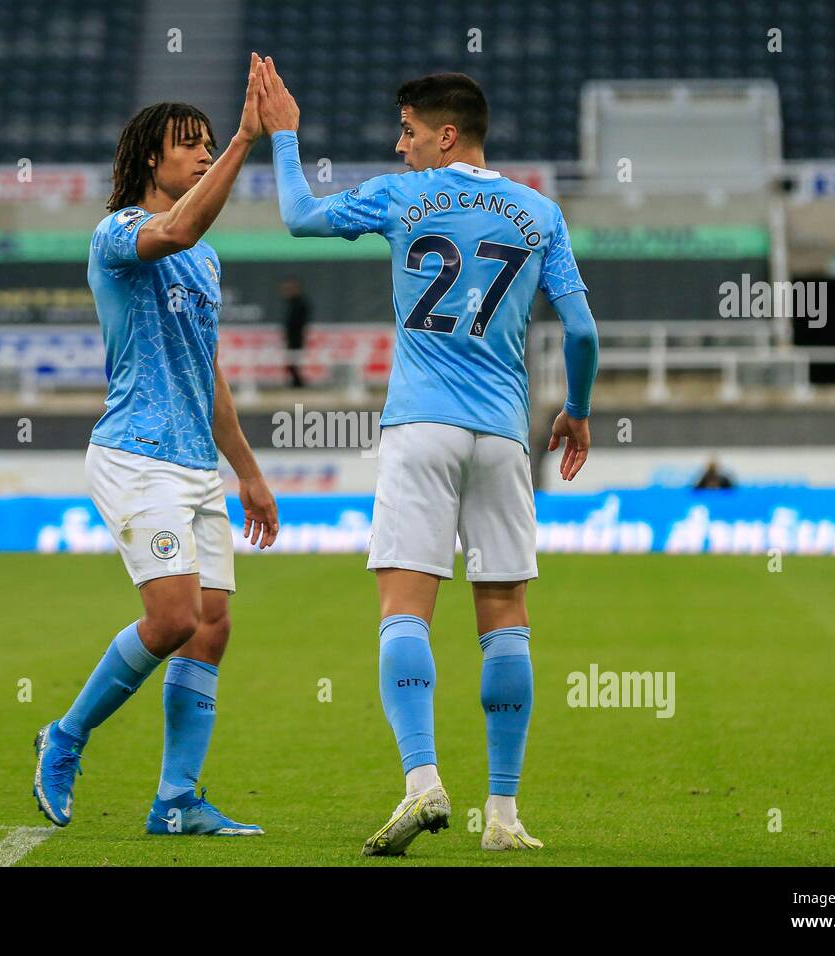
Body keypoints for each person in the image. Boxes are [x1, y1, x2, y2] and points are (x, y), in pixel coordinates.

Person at [260, 64, 599, 854]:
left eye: (408, 131)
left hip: (420, 428)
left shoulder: (403, 196)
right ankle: (505, 818)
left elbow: (299, 216)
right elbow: (582, 333)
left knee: (404, 611)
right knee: (506, 618)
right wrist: (577, 411)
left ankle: (422, 784)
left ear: (446, 134)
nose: (398, 143)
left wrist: (284, 135)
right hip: (504, 435)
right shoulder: (539, 211)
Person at [33, 55, 280, 837]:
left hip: (196, 465)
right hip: (136, 453)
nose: (205, 152)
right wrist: (247, 138)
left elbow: (209, 375)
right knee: (173, 617)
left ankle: (176, 800)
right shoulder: (118, 234)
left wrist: (249, 473)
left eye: (212, 142)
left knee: (212, 624)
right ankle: (64, 737)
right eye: (191, 144)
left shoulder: (204, 261)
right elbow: (178, 225)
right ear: (151, 156)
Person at [280, 277, 311, 387]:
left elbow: (298, 322)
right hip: (292, 337)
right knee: (292, 362)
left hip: (296, 337)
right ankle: (297, 384)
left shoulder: (300, 303)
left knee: (294, 361)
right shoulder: (292, 303)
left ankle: (298, 385)